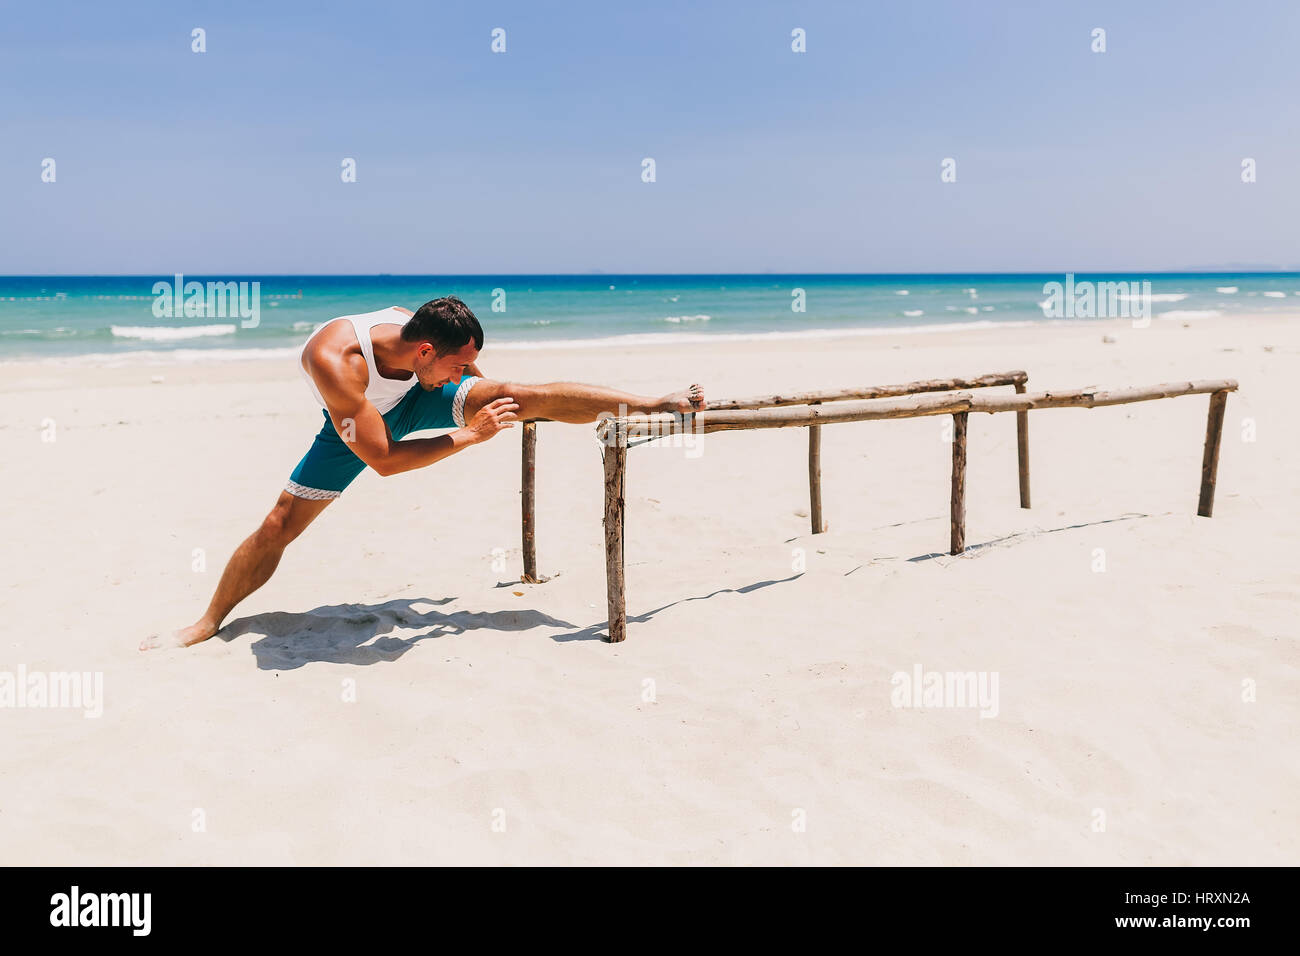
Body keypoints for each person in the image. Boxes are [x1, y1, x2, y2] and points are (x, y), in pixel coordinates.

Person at [141, 295, 705, 649]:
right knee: (278, 524)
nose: (465, 372)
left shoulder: (418, 336)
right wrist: (471, 433)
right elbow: (384, 460)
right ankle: (210, 619)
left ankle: (653, 404)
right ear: (425, 351)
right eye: (458, 363)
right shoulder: (336, 363)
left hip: (420, 392)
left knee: (518, 393)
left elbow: (464, 370)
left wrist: (478, 384)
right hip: (361, 421)